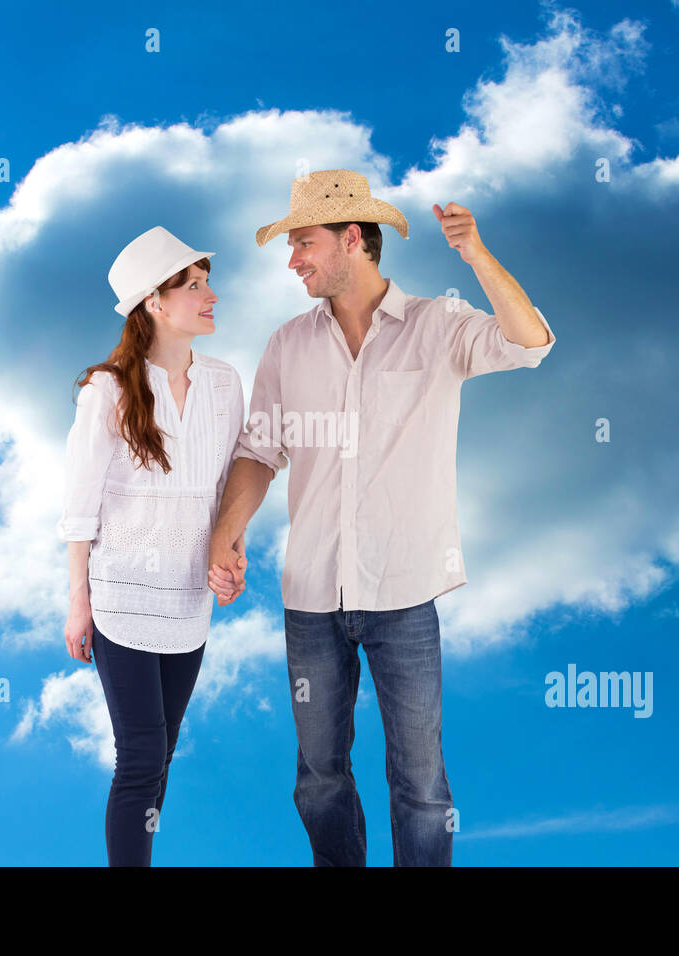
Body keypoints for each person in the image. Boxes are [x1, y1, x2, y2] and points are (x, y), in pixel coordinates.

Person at [206, 169, 556, 866]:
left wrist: (477, 255)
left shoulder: (437, 325)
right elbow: (259, 451)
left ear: (352, 239)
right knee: (319, 779)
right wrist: (224, 535)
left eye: (304, 242)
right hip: (311, 596)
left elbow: (531, 343)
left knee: (421, 785)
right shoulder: (287, 344)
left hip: (405, 593)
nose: (293, 259)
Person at [59, 226, 246, 866]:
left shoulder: (225, 383)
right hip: (121, 597)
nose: (210, 295)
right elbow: (80, 504)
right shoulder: (108, 389)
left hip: (189, 600)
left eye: (207, 282)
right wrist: (78, 600)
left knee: (161, 755)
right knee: (139, 755)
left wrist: (231, 552)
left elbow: (227, 486)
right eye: (193, 285)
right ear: (154, 302)